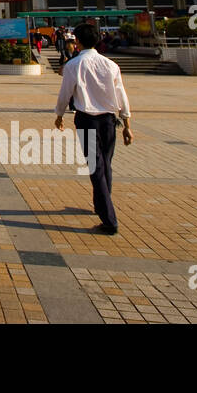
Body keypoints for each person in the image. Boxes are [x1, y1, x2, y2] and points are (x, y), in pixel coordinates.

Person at [54, 23, 134, 235]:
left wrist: (59, 114)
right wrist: (126, 124)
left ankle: (109, 219)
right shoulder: (110, 65)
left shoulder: (74, 65)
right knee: (105, 163)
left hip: (87, 120)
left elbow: (65, 93)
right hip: (109, 121)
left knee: (96, 167)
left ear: (77, 41)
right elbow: (121, 95)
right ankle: (102, 204)